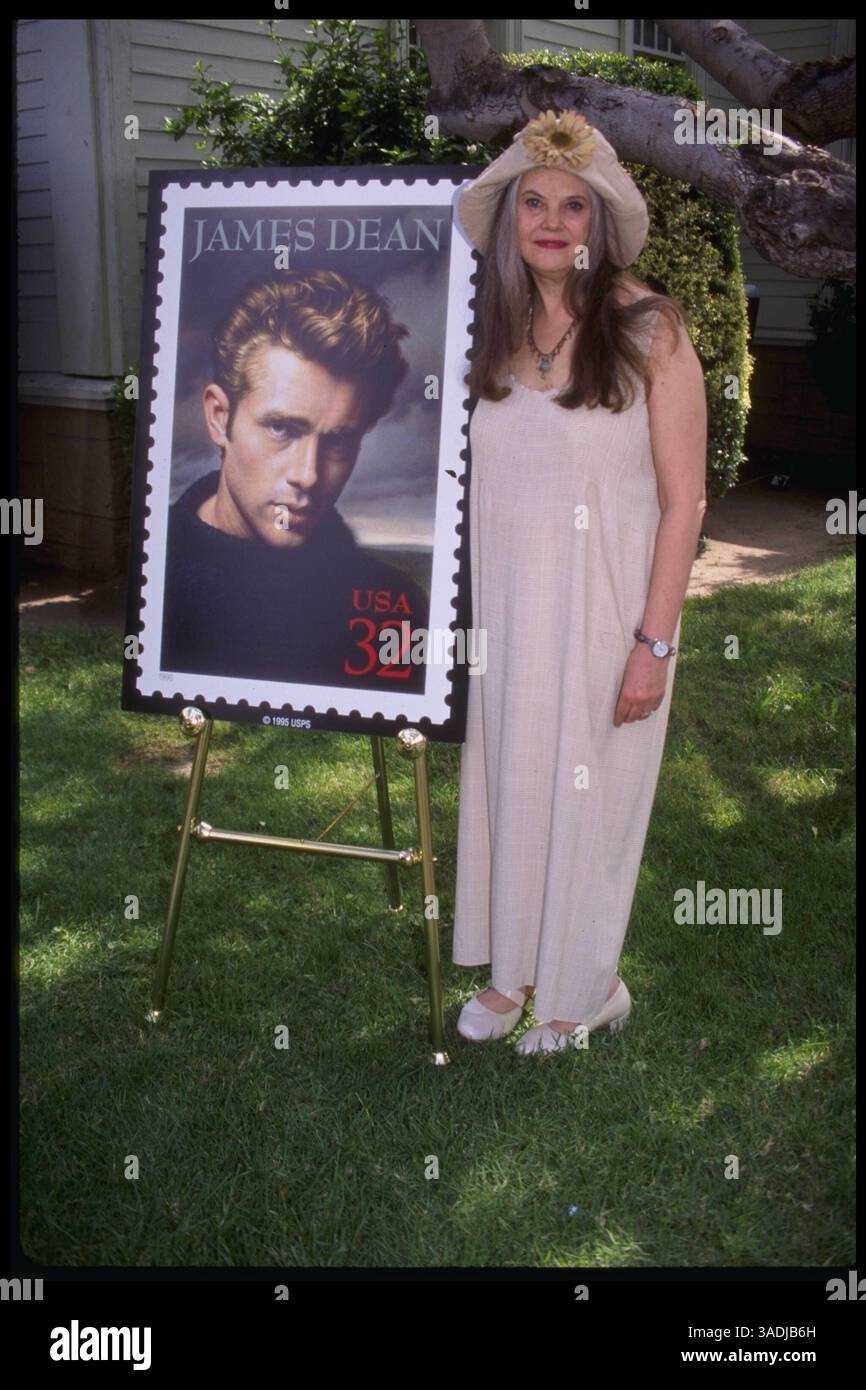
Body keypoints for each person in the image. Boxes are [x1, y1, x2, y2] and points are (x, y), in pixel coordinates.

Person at [451, 109, 708, 1054]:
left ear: (597, 225)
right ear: (511, 218)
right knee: (516, 787)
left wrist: (655, 642)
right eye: (535, 202)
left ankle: (585, 992)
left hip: (610, 621)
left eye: (575, 206)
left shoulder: (650, 327)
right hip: (511, 622)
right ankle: (515, 973)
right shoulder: (489, 333)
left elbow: (686, 501)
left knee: (590, 803)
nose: (554, 221)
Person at [160, 271, 429, 693]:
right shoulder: (156, 580)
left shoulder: (396, 607)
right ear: (218, 417)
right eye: (282, 429)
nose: (308, 474)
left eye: (339, 440)